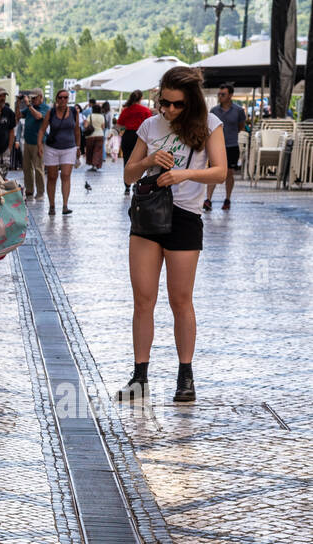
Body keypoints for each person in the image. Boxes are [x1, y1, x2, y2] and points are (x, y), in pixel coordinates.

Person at [119, 67, 226, 404]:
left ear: (190, 101)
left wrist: (184, 174)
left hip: (185, 219)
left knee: (180, 300)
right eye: (164, 102)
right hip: (149, 217)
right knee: (143, 299)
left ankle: (185, 375)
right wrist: (150, 158)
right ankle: (140, 376)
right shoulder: (150, 125)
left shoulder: (209, 124)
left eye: (177, 104)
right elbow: (127, 174)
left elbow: (220, 171)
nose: (169, 110)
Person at [204, 83, 247, 211]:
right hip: (216, 146)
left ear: (230, 95)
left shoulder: (239, 110)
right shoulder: (214, 111)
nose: (220, 96)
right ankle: (208, 199)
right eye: (219, 94)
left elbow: (241, 126)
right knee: (212, 172)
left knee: (229, 173)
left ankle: (227, 199)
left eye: (223, 94)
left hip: (232, 145)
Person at [40, 89, 81, 214]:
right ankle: (52, 205)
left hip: (69, 147)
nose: (63, 100)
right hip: (52, 148)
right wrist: (39, 145)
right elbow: (42, 130)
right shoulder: (51, 112)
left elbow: (77, 130)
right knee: (52, 177)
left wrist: (78, 147)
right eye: (60, 97)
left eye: (66, 97)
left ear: (68, 99)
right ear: (57, 99)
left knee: (66, 175)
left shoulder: (74, 112)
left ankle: (65, 205)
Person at [116, 91, 153, 194]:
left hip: (128, 135)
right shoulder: (145, 110)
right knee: (139, 160)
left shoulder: (126, 110)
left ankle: (127, 185)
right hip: (140, 136)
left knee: (127, 160)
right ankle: (137, 183)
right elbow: (150, 123)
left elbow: (119, 125)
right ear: (140, 98)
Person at [20, 90, 49, 199]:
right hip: (27, 141)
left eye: (34, 98)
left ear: (41, 97)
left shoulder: (45, 108)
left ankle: (40, 192)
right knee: (26, 167)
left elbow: (38, 117)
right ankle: (29, 190)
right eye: (31, 98)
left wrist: (28, 105)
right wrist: (19, 103)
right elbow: (18, 116)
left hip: (39, 142)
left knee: (38, 168)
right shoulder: (29, 108)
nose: (32, 100)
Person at [0, 87, 17, 174]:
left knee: (1, 176)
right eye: (0, 96)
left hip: (3, 151)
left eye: (4, 96)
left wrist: (9, 148)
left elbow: (11, 131)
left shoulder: (9, 112)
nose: (2, 98)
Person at [84, 100, 106, 169]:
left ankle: (92, 165)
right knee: (98, 150)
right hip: (100, 135)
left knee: (90, 150)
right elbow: (103, 127)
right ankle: (96, 164)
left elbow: (85, 125)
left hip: (90, 136)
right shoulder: (101, 117)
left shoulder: (90, 116)